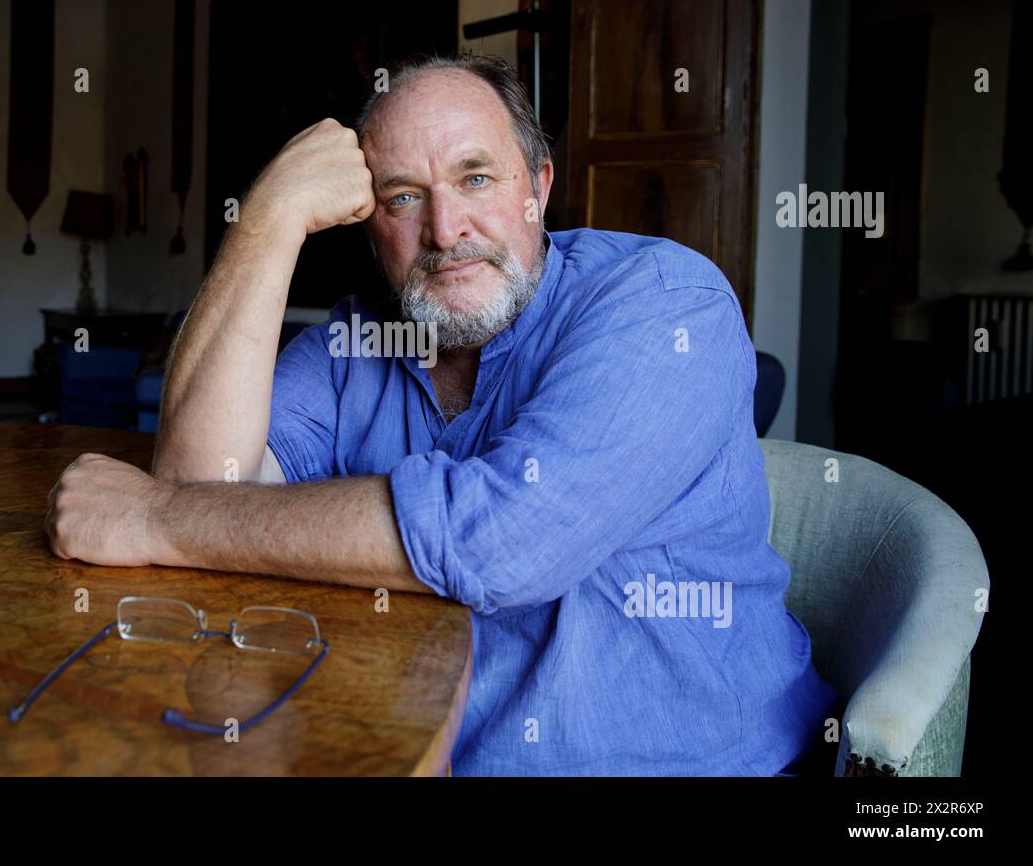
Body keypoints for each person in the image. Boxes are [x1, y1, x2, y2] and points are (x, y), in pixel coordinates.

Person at [46, 53, 837, 775]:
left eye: (477, 179)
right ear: (369, 225)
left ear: (541, 188)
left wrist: (161, 520)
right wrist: (267, 220)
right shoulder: (353, 343)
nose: (446, 231)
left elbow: (500, 541)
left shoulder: (665, 300)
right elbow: (195, 479)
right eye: (403, 197)